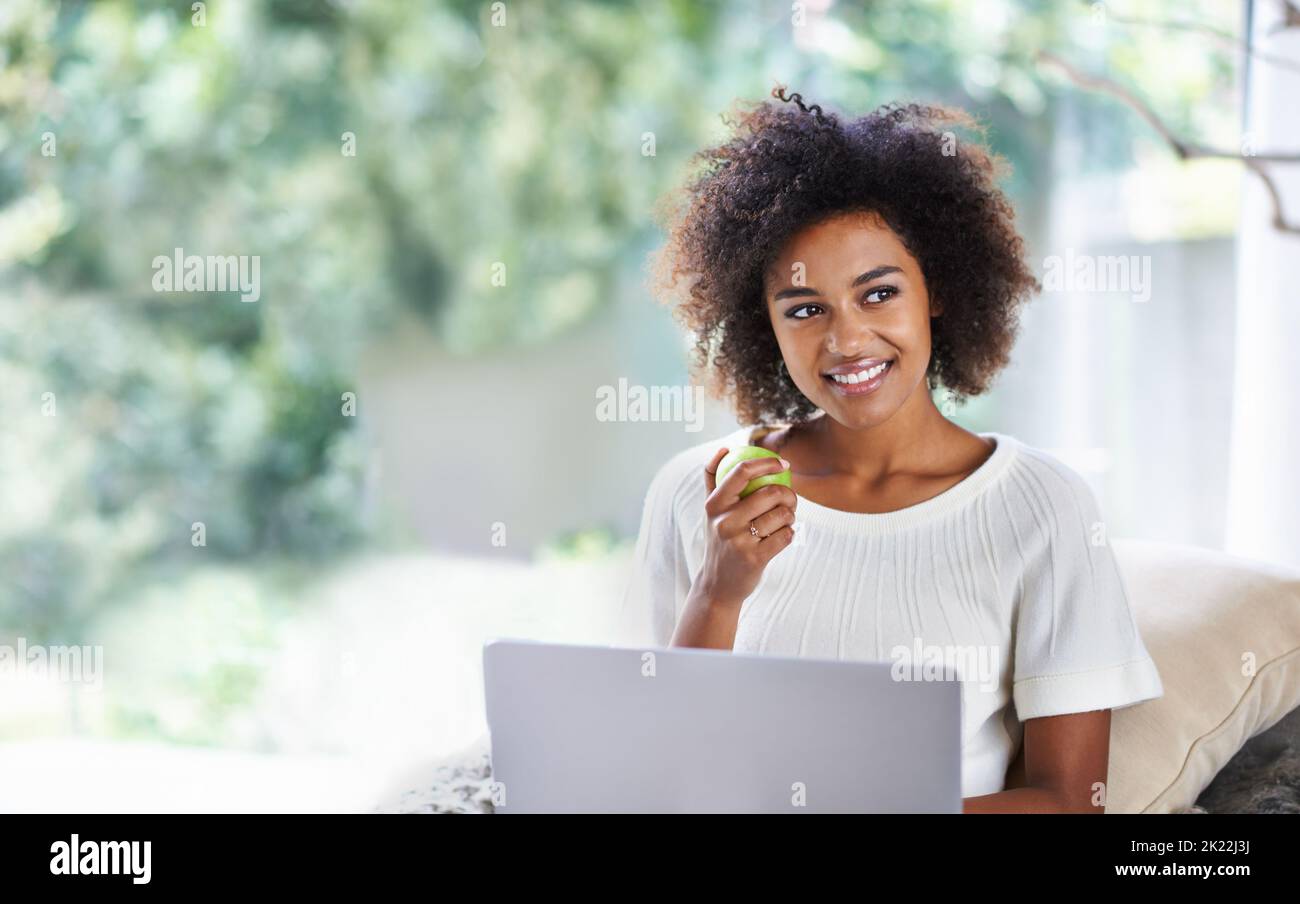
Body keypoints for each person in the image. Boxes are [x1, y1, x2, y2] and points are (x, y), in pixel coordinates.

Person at [619, 86, 1163, 813]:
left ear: (935, 289)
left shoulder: (1043, 507)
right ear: (766, 327)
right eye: (807, 309)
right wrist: (721, 590)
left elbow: (1068, 802)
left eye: (878, 294)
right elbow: (655, 773)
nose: (846, 341)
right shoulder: (699, 493)